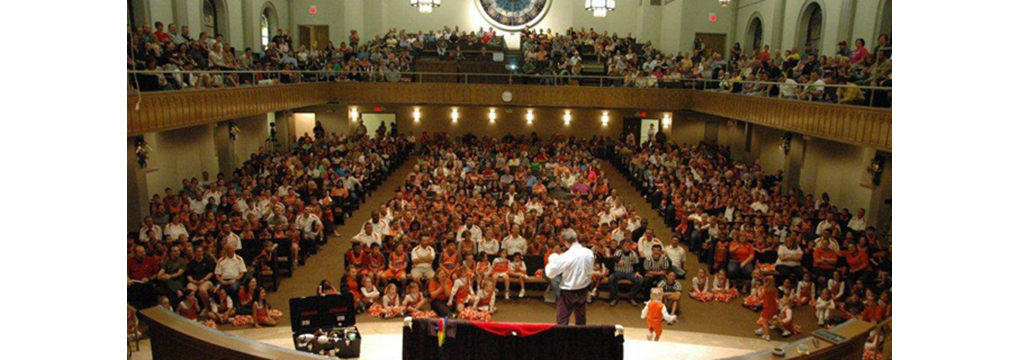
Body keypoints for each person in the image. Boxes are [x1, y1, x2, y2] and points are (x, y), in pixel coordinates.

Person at [544, 228, 595, 325]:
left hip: (568, 291)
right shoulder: (589, 253)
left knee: (562, 319)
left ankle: (563, 339)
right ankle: (580, 337)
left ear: (566, 242)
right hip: (583, 289)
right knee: (581, 318)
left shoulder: (566, 256)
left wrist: (553, 258)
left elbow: (550, 273)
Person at [608, 239, 644, 307]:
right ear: (622, 246)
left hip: (629, 273)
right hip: (618, 272)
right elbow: (614, 258)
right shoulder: (619, 252)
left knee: (640, 280)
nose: (627, 246)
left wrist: (637, 272)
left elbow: (637, 264)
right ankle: (615, 297)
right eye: (625, 245)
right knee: (611, 278)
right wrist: (618, 261)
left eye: (629, 245)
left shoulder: (633, 254)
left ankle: (630, 297)